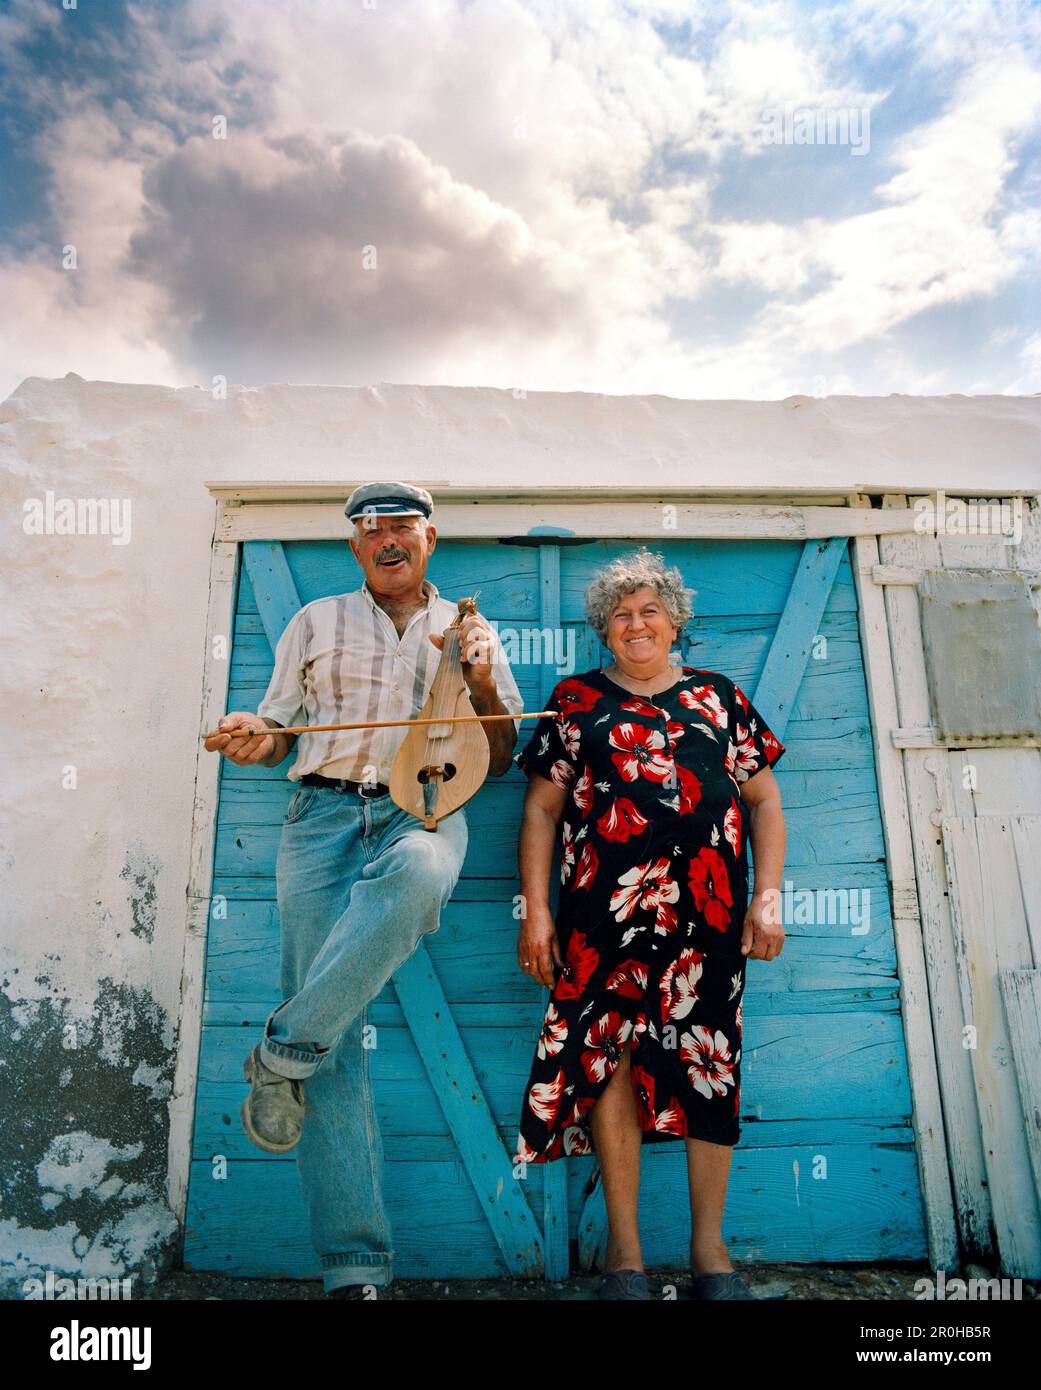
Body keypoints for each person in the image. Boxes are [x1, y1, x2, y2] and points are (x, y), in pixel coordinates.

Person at [204, 481, 523, 1296]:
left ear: (430, 539)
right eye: (370, 529)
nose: (387, 539)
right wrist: (254, 737)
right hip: (318, 815)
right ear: (354, 547)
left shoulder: (470, 628)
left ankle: (280, 1051)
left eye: (402, 527)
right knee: (333, 1036)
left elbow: (507, 752)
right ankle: (354, 1268)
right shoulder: (315, 621)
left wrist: (481, 680)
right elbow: (279, 732)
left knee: (421, 874)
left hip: (423, 806)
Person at [513, 547, 787, 1301]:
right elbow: (539, 809)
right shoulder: (573, 703)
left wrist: (767, 896)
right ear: (605, 631)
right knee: (608, 1064)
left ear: (674, 624)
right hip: (600, 919)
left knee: (707, 1063)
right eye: (620, 614)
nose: (635, 623)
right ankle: (625, 1259)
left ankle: (711, 1256)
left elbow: (762, 801)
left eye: (649, 611)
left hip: (710, 920)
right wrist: (536, 910)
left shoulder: (718, 697)